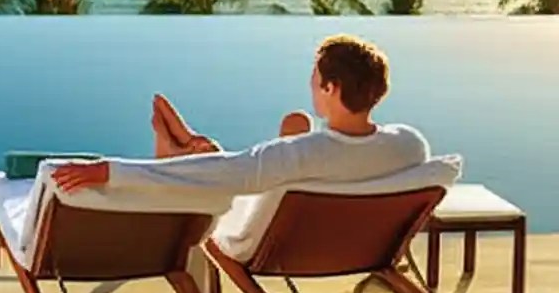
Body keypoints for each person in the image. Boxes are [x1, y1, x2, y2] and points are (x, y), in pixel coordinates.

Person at [53, 34, 430, 195]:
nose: (311, 83)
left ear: (331, 88)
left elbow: (224, 174)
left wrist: (108, 170)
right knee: (293, 128)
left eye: (315, 79)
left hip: (274, 240)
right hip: (345, 231)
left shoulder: (295, 155)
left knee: (209, 178)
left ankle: (182, 152)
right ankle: (190, 146)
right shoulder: (410, 144)